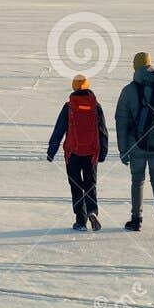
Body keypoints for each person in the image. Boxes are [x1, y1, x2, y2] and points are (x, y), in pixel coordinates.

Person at [114, 51, 154, 232]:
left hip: (137, 145)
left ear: (135, 67)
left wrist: (123, 150)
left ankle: (136, 219)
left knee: (138, 180)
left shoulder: (129, 90)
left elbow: (121, 121)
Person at [46, 74, 109, 231]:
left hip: (72, 153)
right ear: (87, 86)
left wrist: (51, 150)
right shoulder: (96, 106)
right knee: (90, 185)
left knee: (76, 186)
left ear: (74, 87)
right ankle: (92, 211)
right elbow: (102, 131)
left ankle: (80, 220)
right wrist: (103, 151)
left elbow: (59, 129)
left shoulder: (69, 107)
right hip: (91, 153)